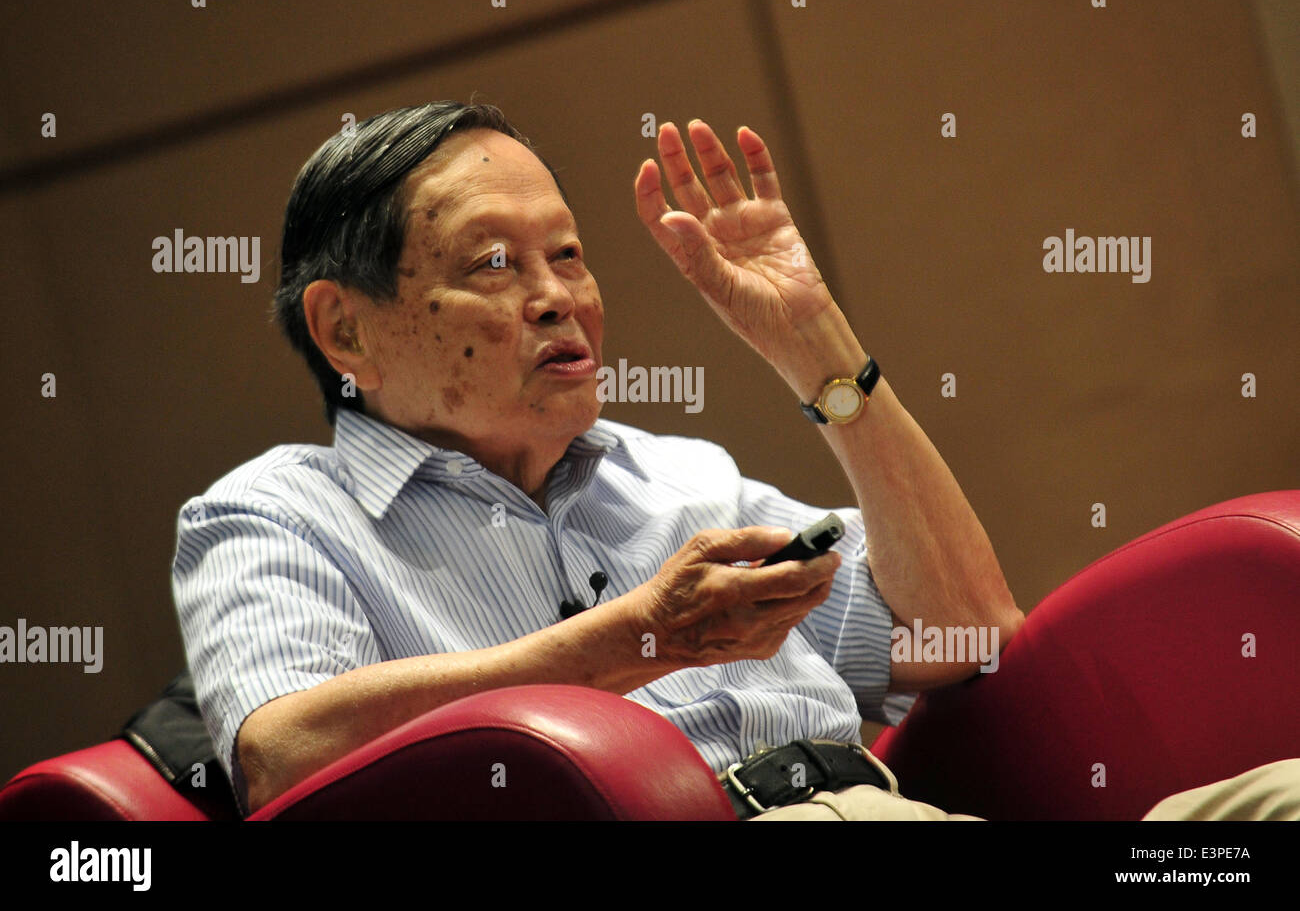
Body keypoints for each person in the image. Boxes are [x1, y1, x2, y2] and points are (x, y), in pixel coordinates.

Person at [171, 101, 1298, 821]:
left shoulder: (679, 475)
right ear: (345, 329)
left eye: (568, 253)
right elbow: (283, 750)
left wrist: (818, 347)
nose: (559, 292)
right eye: (496, 263)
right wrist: (639, 638)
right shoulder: (273, 516)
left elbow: (970, 633)